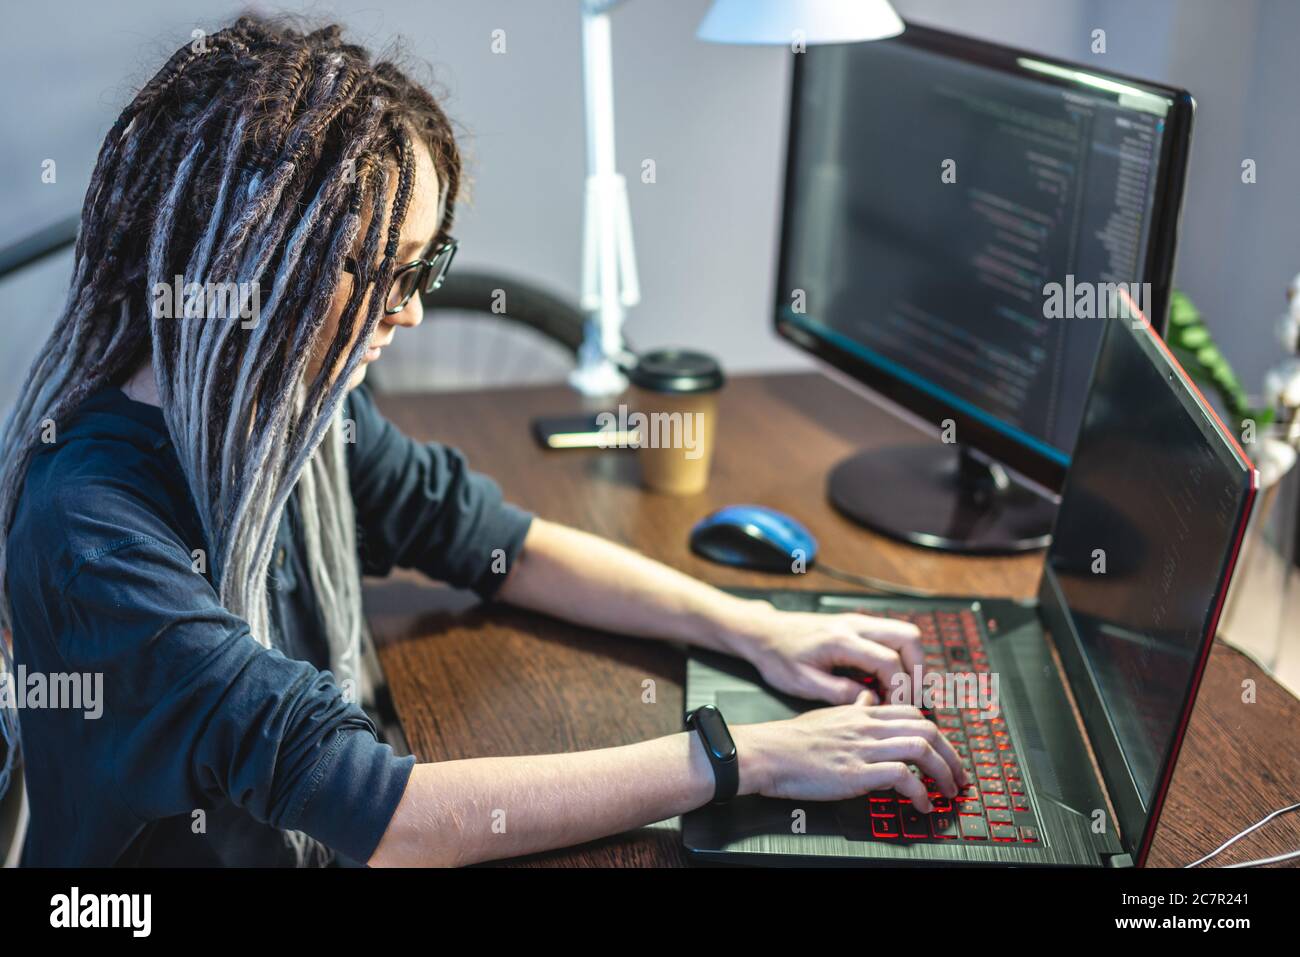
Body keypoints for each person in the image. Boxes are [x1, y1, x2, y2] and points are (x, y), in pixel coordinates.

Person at [0, 17, 964, 867]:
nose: (413, 310)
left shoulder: (295, 412)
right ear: (257, 264)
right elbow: (390, 819)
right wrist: (741, 753)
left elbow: (493, 539)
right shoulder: (93, 531)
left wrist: (757, 628)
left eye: (430, 266)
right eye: (393, 271)